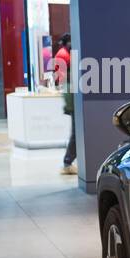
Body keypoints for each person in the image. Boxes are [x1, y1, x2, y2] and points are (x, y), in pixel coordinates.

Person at [53, 34, 77, 175]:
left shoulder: (65, 54)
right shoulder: (65, 56)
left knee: (76, 133)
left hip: (72, 99)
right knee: (76, 133)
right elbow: (63, 79)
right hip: (73, 99)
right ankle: (67, 163)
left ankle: (68, 162)